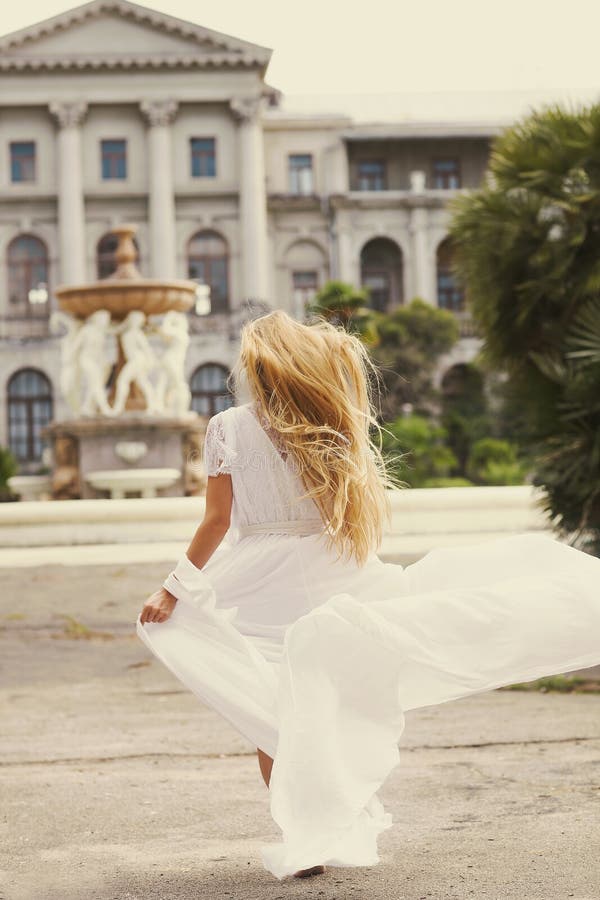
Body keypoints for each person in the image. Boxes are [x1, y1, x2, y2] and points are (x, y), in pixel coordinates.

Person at [136, 310, 600, 882]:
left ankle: (303, 834)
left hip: (261, 578)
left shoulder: (226, 427)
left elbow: (216, 521)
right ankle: (316, 823)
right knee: (325, 690)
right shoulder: (326, 420)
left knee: (271, 709)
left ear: (257, 367)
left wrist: (173, 587)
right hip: (329, 566)